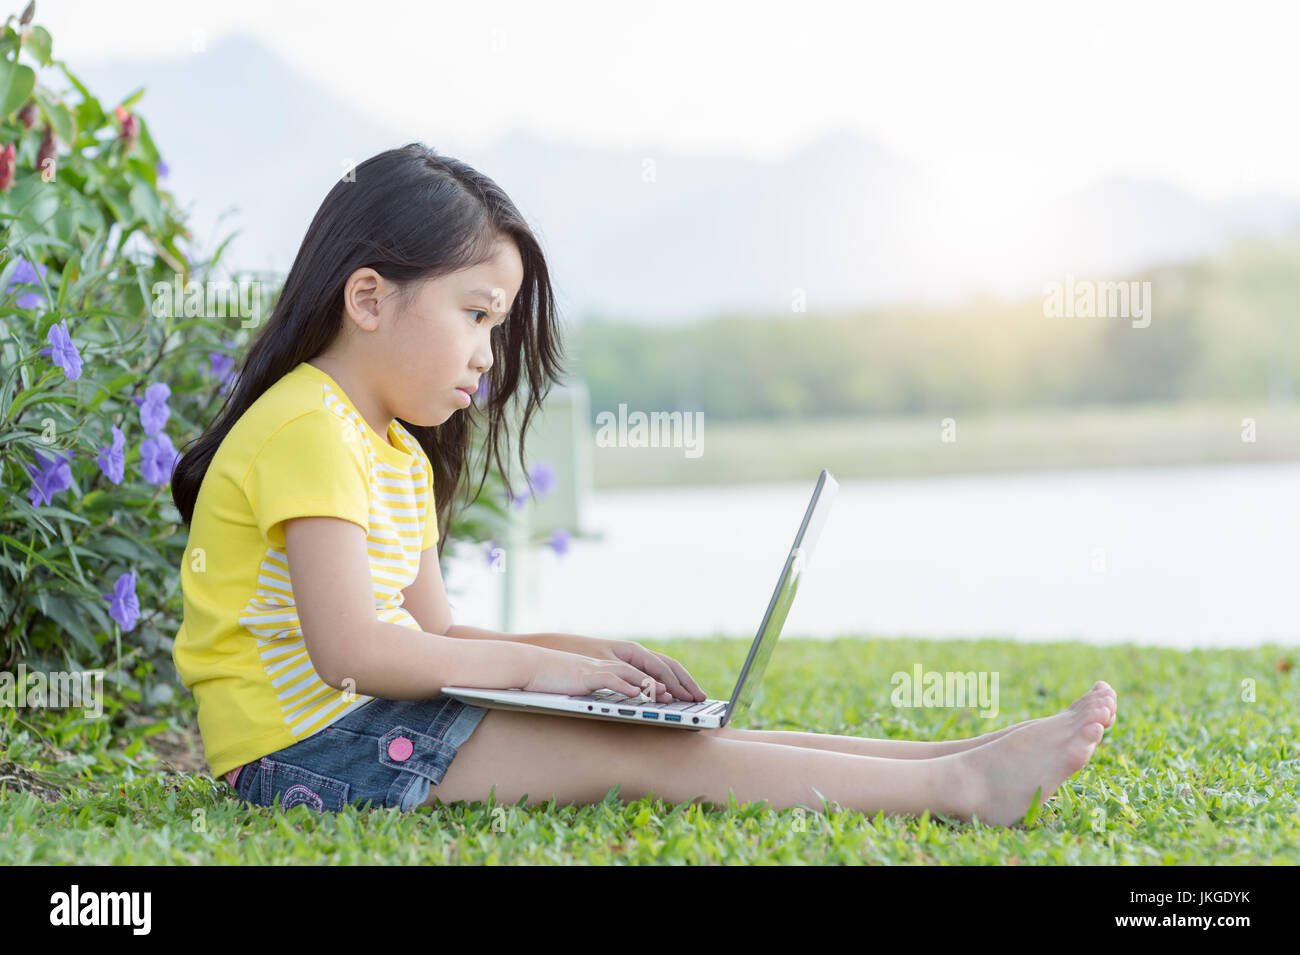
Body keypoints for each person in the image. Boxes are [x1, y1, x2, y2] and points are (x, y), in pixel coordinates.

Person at [170, 142, 1117, 827]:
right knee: (646, 757)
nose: (486, 357)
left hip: (372, 722)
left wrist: (587, 654)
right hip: (310, 753)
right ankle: (959, 790)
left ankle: (955, 758)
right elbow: (355, 652)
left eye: (495, 325)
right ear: (370, 298)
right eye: (477, 314)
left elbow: (441, 633)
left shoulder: (395, 451)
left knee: (657, 734)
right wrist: (545, 673)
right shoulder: (305, 423)